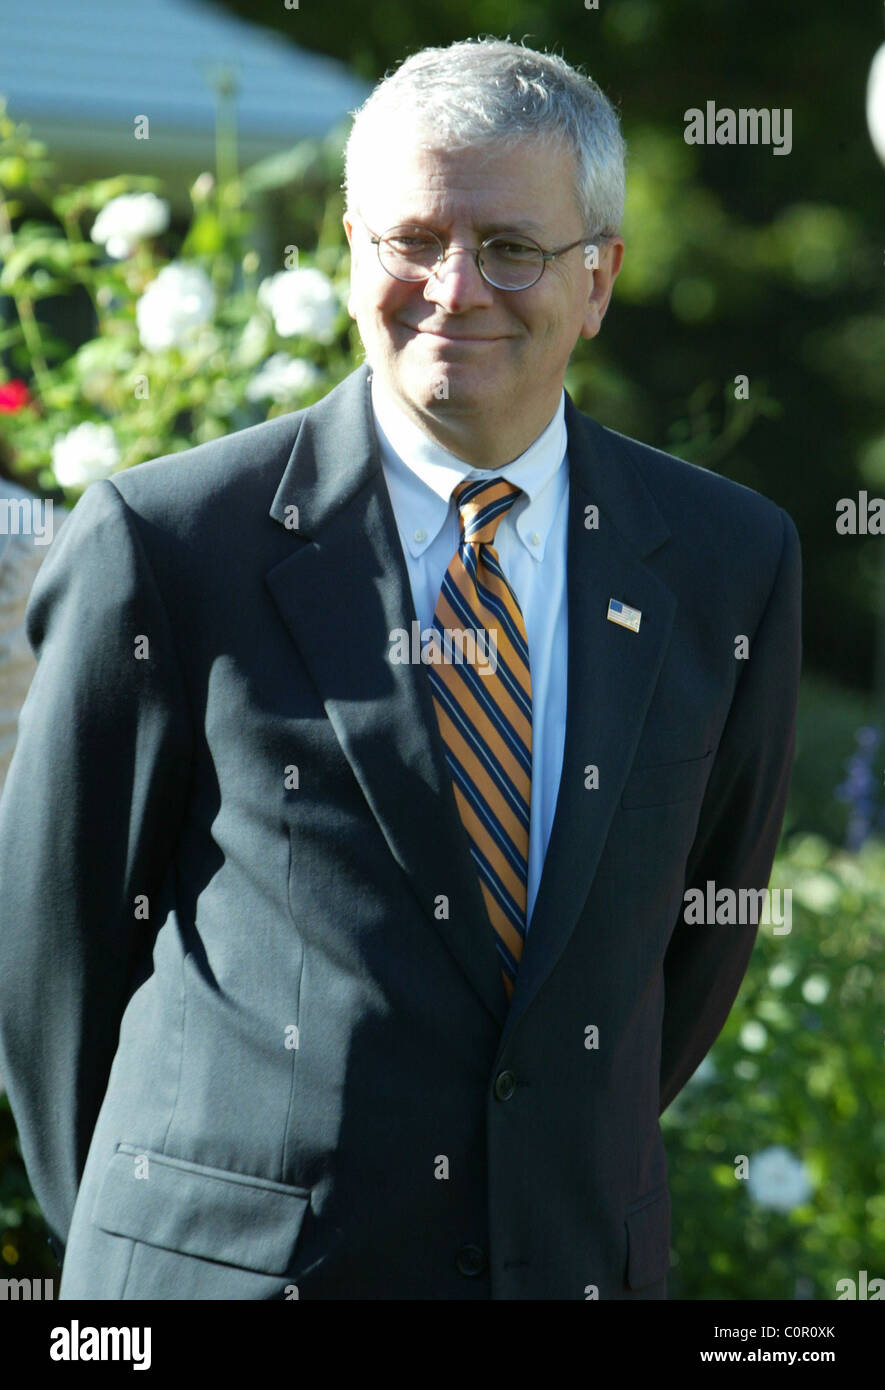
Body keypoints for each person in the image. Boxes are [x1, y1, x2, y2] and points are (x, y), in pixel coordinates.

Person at [0, 37, 802, 1300]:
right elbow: (52, 957)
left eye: (512, 249)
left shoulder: (725, 560)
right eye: (413, 240)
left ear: (600, 279)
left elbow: (699, 939)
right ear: (351, 247)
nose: (455, 287)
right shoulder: (169, 545)